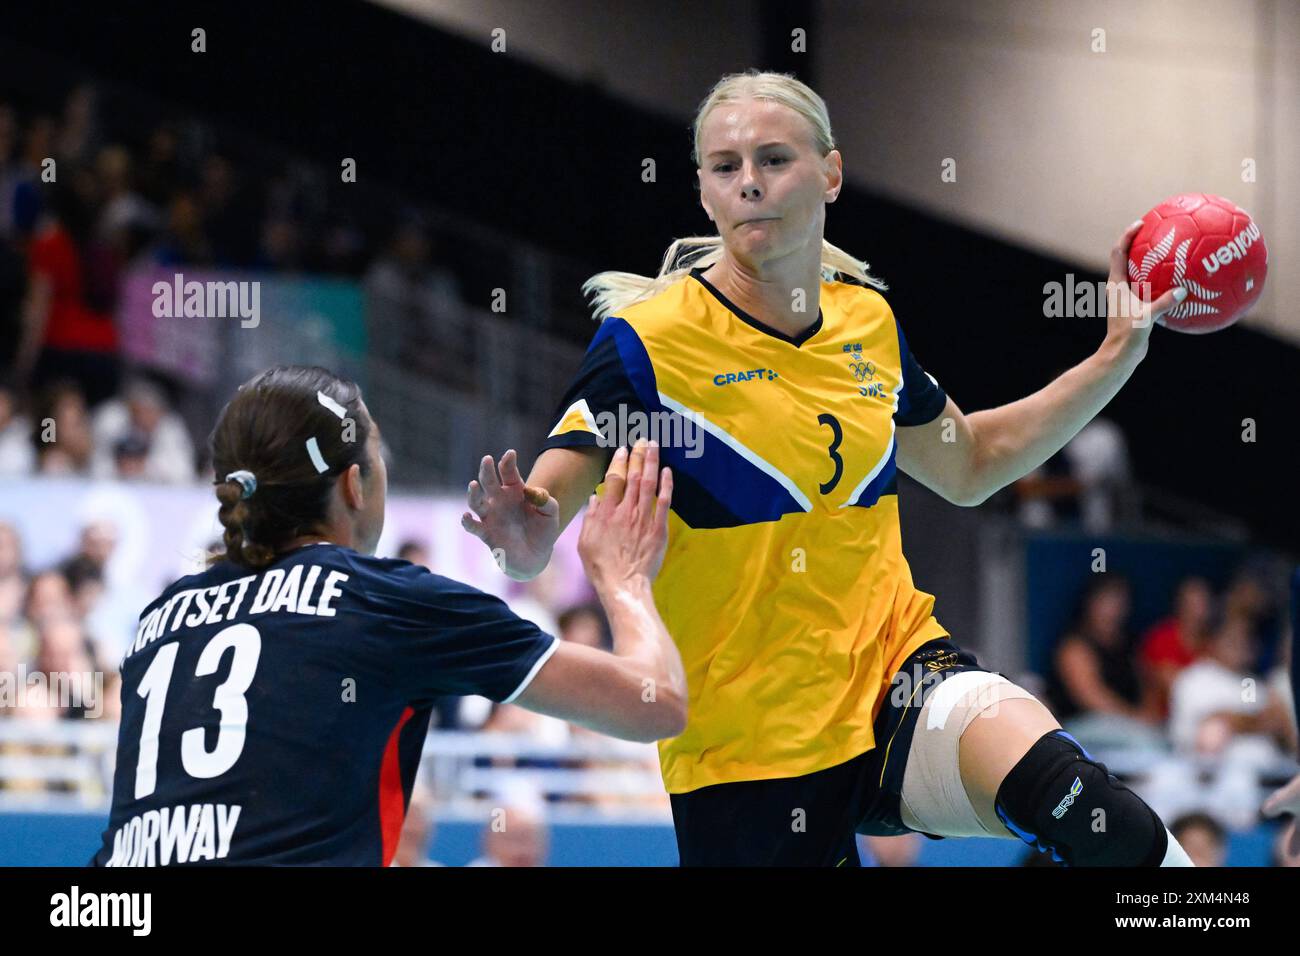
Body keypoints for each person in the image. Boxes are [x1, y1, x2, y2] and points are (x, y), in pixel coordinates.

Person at [463, 70, 1192, 867]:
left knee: (1098, 817)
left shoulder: (867, 323)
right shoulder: (645, 346)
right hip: (744, 752)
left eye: (774, 159)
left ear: (832, 174)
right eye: (725, 166)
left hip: (895, 677)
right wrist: (522, 537)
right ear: (704, 193)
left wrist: (1117, 355)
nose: (749, 183)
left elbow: (973, 465)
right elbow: (539, 524)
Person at [90, 364, 684, 866]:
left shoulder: (161, 618)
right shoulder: (387, 601)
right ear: (354, 485)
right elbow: (653, 701)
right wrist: (624, 577)